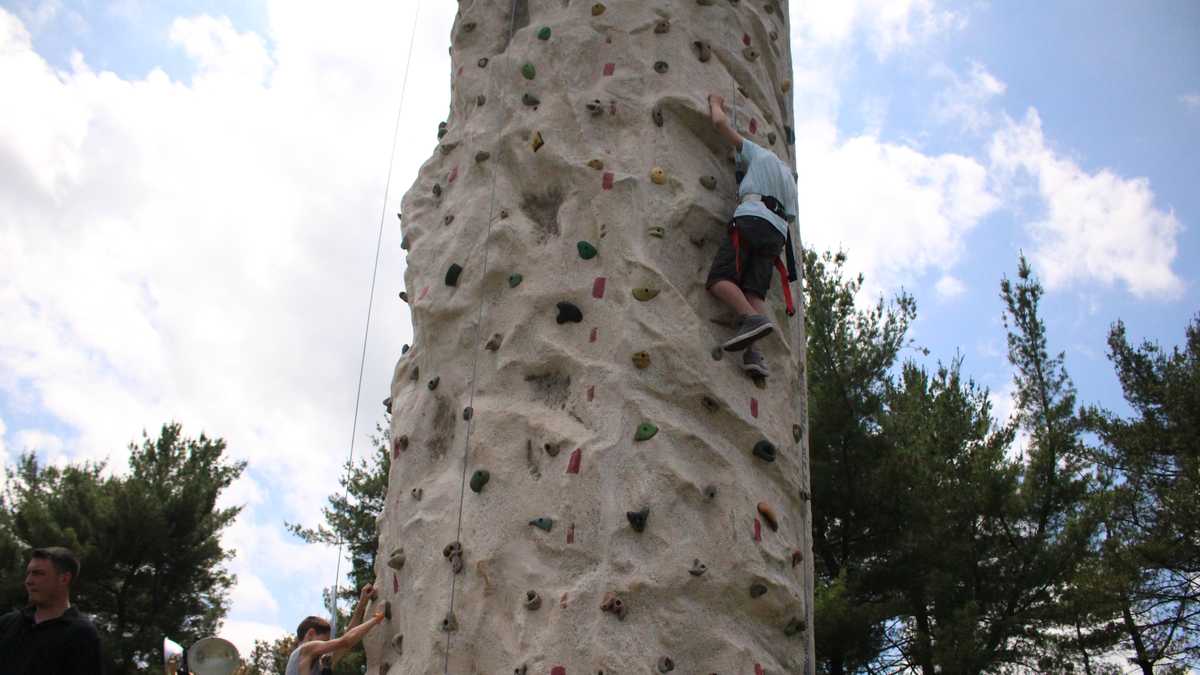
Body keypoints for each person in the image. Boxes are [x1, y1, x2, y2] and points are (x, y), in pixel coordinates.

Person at [704, 92, 800, 378]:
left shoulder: (760, 154)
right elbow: (790, 217)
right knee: (753, 292)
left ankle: (750, 318)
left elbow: (720, 124)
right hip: (777, 235)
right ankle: (754, 354)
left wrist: (715, 103)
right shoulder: (790, 183)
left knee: (719, 280)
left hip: (752, 220)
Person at [0, 546, 103, 675]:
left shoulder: (82, 634)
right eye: (28, 573)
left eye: (38, 573)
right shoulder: (7, 623)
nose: (28, 581)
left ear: (64, 579)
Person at [286, 584, 385, 675]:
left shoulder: (317, 664)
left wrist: (362, 603)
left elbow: (346, 641)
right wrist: (377, 618)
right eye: (323, 642)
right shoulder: (305, 650)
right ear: (311, 634)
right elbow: (346, 641)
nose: (324, 649)